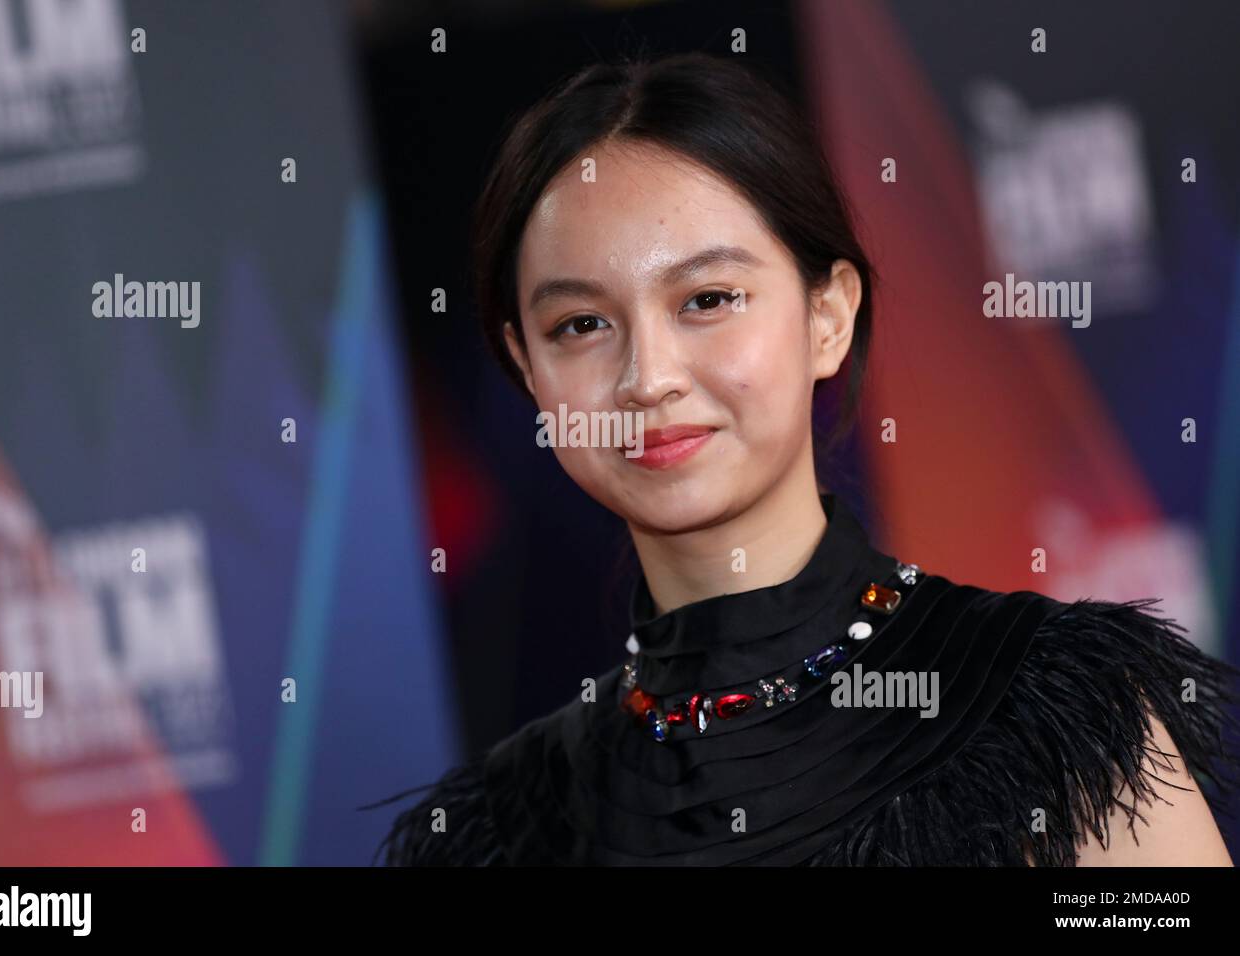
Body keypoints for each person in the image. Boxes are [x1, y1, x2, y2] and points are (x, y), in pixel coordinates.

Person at [365, 52, 1240, 866]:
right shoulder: (497, 833)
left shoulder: (1050, 711)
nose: (648, 378)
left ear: (829, 317)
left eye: (708, 299)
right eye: (581, 325)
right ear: (527, 367)